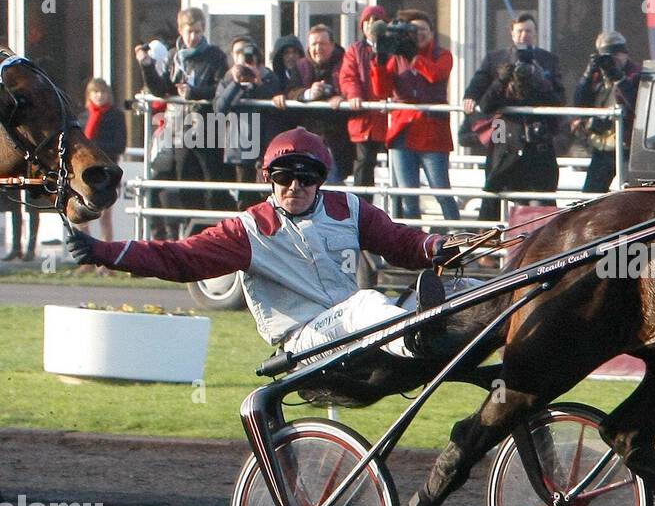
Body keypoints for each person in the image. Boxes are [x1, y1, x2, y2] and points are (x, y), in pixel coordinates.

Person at [63, 128, 459, 359]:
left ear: (320, 180)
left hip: (359, 330)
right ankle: (415, 340)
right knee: (368, 302)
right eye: (284, 177)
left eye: (306, 178)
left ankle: (485, 338)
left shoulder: (350, 209)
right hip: (305, 342)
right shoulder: (249, 229)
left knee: (460, 288)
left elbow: (400, 242)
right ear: (269, 178)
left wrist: (438, 246)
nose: (295, 187)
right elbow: (180, 258)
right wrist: (104, 251)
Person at [135, 7, 230, 237]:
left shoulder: (215, 56)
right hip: (181, 132)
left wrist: (194, 92)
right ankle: (195, 237)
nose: (193, 36)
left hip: (209, 132)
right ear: (181, 30)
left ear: (203, 29)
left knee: (212, 187)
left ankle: (215, 238)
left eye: (198, 31)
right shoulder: (174, 57)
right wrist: (146, 65)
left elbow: (221, 88)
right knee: (186, 187)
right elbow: (162, 89)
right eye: (190, 31)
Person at [462, 12, 564, 221]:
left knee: (540, 197)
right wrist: (495, 83)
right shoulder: (495, 58)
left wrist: (539, 78)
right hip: (504, 134)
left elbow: (559, 100)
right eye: (520, 30)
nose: (524, 35)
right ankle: (486, 248)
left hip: (536, 136)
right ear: (512, 33)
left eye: (529, 31)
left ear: (535, 34)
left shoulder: (547, 60)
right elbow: (482, 97)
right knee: (495, 189)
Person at [370, 9, 457, 224]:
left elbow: (437, 74)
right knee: (408, 196)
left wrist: (415, 58)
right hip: (402, 132)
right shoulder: (397, 57)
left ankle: (460, 239)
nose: (419, 34)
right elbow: (382, 90)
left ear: (432, 32)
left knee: (441, 191)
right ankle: (413, 246)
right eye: (414, 30)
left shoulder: (442, 54)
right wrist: (379, 62)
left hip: (433, 133)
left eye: (423, 29)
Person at [572, 29, 641, 193]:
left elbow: (637, 104)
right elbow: (580, 102)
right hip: (602, 147)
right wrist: (587, 75)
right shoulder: (597, 76)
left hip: (627, 147)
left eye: (618, 54)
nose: (613, 60)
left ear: (625, 53)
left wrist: (619, 79)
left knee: (630, 195)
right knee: (589, 196)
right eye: (609, 56)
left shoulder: (636, 74)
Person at [213, 41, 280, 195]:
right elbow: (219, 108)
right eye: (247, 61)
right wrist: (236, 83)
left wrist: (257, 81)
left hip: (265, 146)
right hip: (241, 148)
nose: (251, 65)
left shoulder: (269, 78)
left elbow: (274, 101)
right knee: (244, 197)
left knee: (266, 197)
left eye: (255, 62)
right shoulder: (230, 79)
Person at [287, 24, 350, 184]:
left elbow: (353, 87)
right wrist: (309, 93)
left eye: (322, 43)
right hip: (308, 136)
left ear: (332, 45)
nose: (318, 48)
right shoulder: (301, 66)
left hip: (337, 137)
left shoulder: (345, 63)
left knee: (332, 185)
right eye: (314, 44)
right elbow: (291, 91)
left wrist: (341, 97)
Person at [73, 78, 127, 261]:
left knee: (105, 216)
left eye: (103, 92)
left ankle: (107, 259)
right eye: (95, 92)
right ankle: (87, 259)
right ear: (89, 95)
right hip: (84, 172)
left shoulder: (115, 116)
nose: (99, 96)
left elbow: (120, 144)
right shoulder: (83, 117)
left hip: (107, 170)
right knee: (83, 216)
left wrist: (94, 147)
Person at [338, 4, 389, 188]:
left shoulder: (393, 48)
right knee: (364, 165)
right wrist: (354, 95)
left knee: (397, 169)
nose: (371, 24)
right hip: (364, 118)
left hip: (390, 118)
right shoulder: (355, 50)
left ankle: (398, 211)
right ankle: (362, 211)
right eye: (367, 20)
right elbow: (348, 76)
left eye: (375, 20)